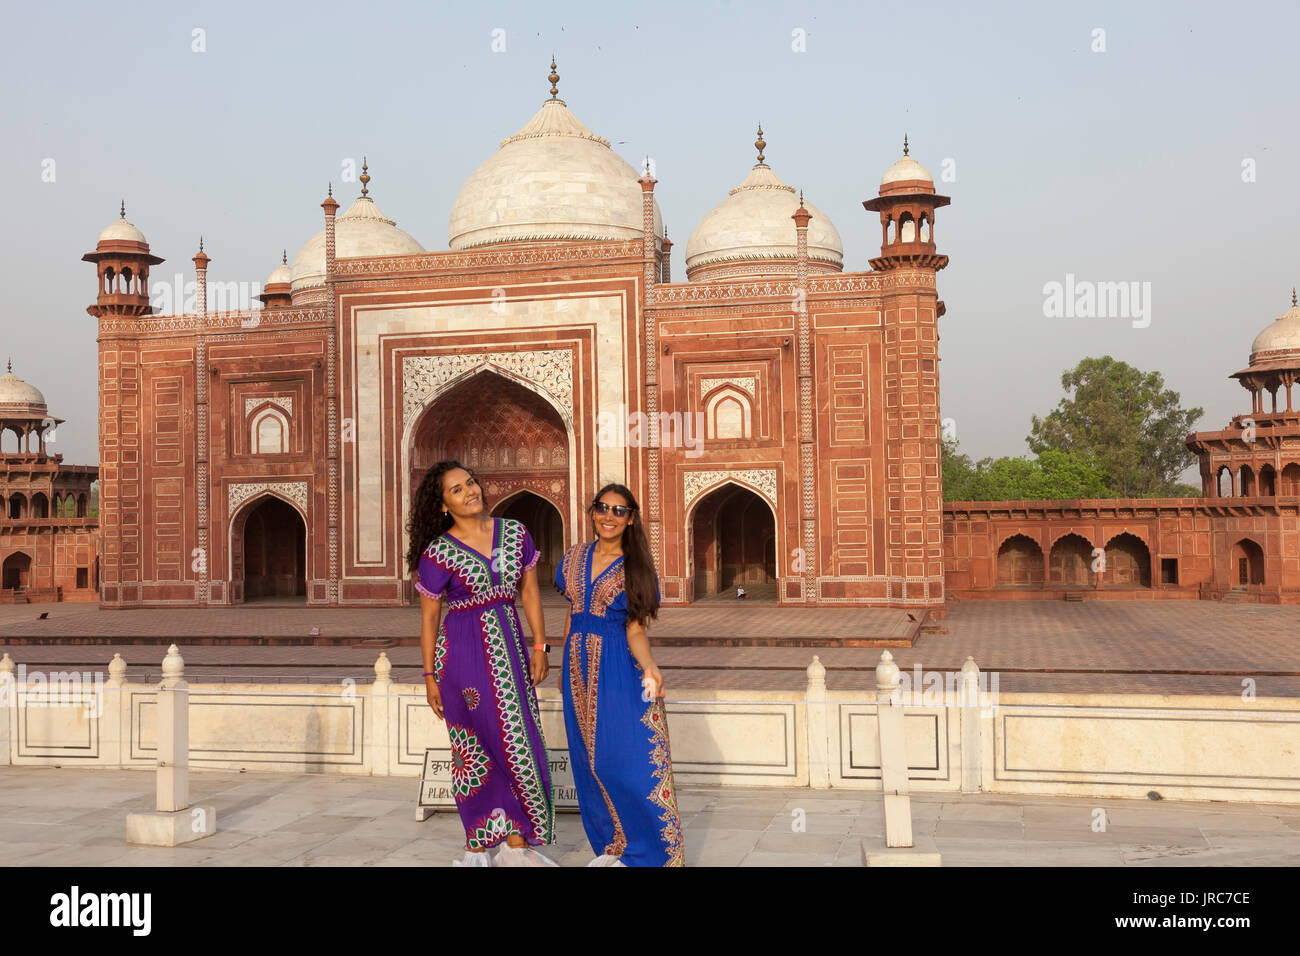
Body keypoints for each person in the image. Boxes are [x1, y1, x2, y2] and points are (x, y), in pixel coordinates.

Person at [407, 460, 556, 866]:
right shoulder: (437, 554)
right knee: (475, 749)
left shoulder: (514, 532)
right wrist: (429, 677)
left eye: (470, 482)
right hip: (459, 660)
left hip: (508, 650)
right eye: (457, 489)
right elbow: (429, 620)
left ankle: (517, 840)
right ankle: (478, 841)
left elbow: (528, 592)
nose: (470, 491)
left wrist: (540, 646)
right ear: (442, 505)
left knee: (518, 740)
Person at [554, 483, 685, 867]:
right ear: (593, 511)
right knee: (588, 764)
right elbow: (572, 613)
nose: (609, 516)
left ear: (630, 520)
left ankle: (654, 853)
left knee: (626, 760)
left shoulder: (635, 567)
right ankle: (613, 848)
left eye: (619, 510)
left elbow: (634, 628)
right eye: (603, 508)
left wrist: (649, 666)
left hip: (617, 668)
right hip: (577, 670)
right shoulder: (574, 557)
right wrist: (563, 661)